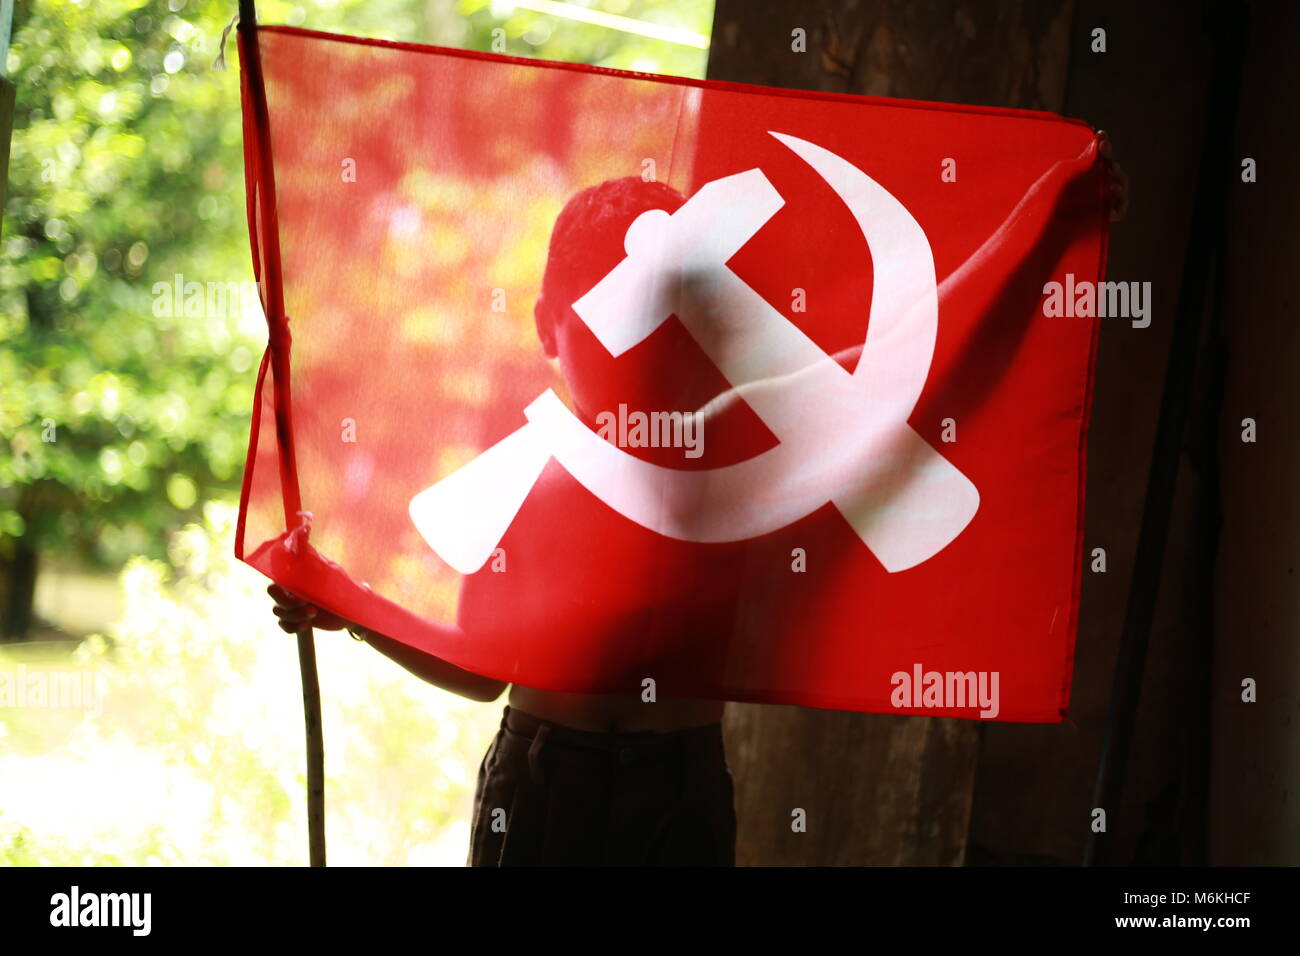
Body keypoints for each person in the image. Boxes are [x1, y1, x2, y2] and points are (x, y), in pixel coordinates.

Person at [269, 131, 1128, 867]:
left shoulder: (739, 439)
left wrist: (1049, 219)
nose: (640, 349)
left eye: (664, 319)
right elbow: (481, 671)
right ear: (547, 329)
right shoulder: (527, 478)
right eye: (614, 320)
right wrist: (346, 608)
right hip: (545, 778)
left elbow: (929, 350)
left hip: (674, 785)